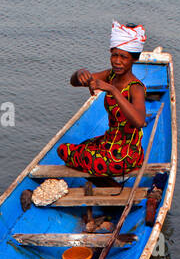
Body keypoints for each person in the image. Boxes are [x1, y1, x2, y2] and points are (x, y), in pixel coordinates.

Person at [57, 22, 147, 181]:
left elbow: (139, 121)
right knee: (65, 150)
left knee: (73, 154)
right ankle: (108, 182)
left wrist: (113, 90)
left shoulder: (135, 87)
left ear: (133, 60)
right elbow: (75, 82)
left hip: (126, 155)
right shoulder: (111, 75)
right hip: (109, 141)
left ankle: (111, 186)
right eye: (114, 55)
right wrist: (80, 73)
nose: (117, 61)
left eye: (124, 57)